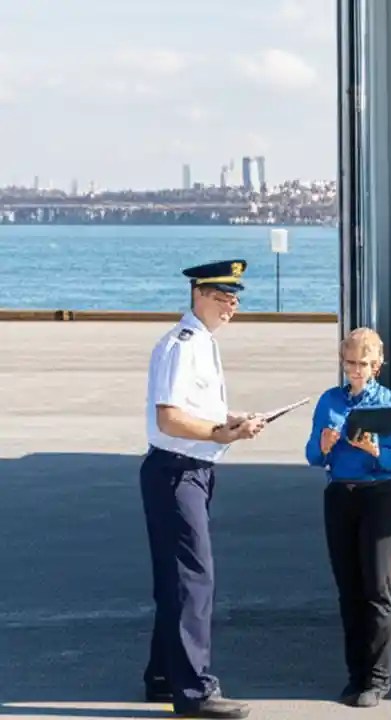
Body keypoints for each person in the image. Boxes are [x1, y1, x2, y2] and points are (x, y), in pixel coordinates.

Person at [140, 259, 268, 719]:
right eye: (221, 296)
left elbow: (193, 411)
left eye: (234, 297)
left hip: (189, 471)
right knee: (194, 580)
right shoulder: (184, 345)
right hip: (178, 471)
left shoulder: (202, 343)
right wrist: (221, 432)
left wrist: (228, 423)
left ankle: (163, 676)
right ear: (198, 294)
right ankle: (194, 692)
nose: (231, 304)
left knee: (178, 579)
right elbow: (168, 417)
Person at [304, 327, 391, 708]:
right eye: (350, 363)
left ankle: (378, 679)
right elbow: (313, 457)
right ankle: (356, 675)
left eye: (363, 364)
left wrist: (375, 449)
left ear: (377, 364)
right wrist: (323, 445)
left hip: (377, 495)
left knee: (376, 589)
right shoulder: (330, 401)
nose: (356, 370)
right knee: (348, 589)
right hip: (340, 494)